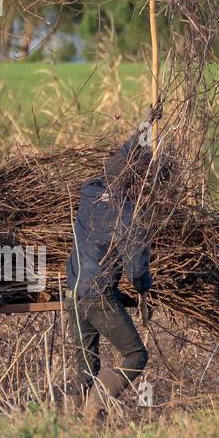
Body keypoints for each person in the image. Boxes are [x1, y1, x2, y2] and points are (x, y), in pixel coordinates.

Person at [65, 123, 161, 422]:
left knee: (86, 369)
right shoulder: (125, 212)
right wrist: (145, 285)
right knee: (135, 355)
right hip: (97, 295)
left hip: (73, 293)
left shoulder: (90, 191)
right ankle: (97, 404)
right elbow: (135, 266)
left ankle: (72, 425)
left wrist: (147, 125)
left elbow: (123, 157)